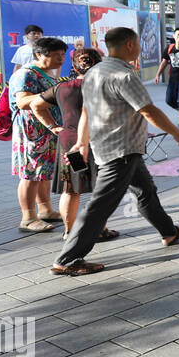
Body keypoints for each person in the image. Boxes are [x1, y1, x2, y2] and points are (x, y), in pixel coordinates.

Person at [51, 26, 179, 277]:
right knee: (99, 206)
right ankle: (67, 259)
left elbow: (86, 111)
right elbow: (148, 110)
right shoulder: (124, 76)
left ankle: (169, 232)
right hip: (121, 151)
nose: (139, 47)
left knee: (146, 191)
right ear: (130, 44)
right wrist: (178, 134)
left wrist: (82, 143)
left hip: (116, 147)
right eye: (138, 42)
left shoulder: (94, 72)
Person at [32, 48, 117, 243]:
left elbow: (36, 105)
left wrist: (53, 127)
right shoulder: (105, 86)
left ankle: (69, 232)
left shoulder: (62, 88)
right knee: (100, 187)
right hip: (100, 142)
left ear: (74, 66)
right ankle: (100, 229)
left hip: (71, 142)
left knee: (72, 187)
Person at [9, 36, 68, 233]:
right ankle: (28, 217)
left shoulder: (45, 73)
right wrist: (52, 94)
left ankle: (45, 209)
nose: (61, 59)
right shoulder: (26, 74)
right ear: (39, 54)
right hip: (32, 131)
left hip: (46, 130)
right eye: (56, 55)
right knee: (30, 173)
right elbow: (22, 102)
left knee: (43, 172)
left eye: (63, 55)